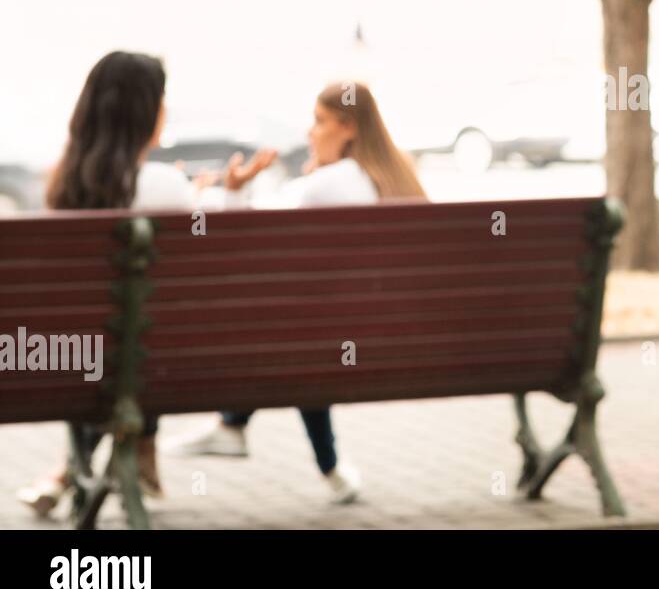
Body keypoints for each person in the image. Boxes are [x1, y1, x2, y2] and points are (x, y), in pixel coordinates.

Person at [16, 51, 274, 518]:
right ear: (145, 112)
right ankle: (131, 457)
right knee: (137, 343)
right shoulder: (163, 187)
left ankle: (70, 470)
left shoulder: (61, 189)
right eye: (162, 99)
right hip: (164, 368)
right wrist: (230, 193)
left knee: (114, 347)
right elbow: (219, 258)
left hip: (67, 364)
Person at [168, 81, 427, 505]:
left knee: (296, 335)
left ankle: (233, 425)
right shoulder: (398, 179)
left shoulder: (327, 185)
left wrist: (233, 191)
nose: (310, 133)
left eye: (319, 121)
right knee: (306, 331)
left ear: (348, 128)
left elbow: (244, 245)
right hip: (399, 345)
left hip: (336, 345)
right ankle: (254, 436)